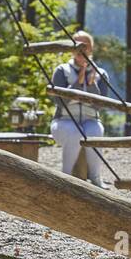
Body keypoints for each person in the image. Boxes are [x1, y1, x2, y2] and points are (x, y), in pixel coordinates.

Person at [49, 30, 113, 188]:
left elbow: (100, 105)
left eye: (85, 46)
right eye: (78, 46)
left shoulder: (101, 73)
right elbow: (59, 101)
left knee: (95, 132)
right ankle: (65, 177)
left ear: (91, 48)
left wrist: (91, 86)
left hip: (90, 120)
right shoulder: (62, 70)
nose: (81, 50)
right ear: (72, 49)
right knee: (74, 132)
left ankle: (95, 178)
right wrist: (78, 82)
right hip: (63, 122)